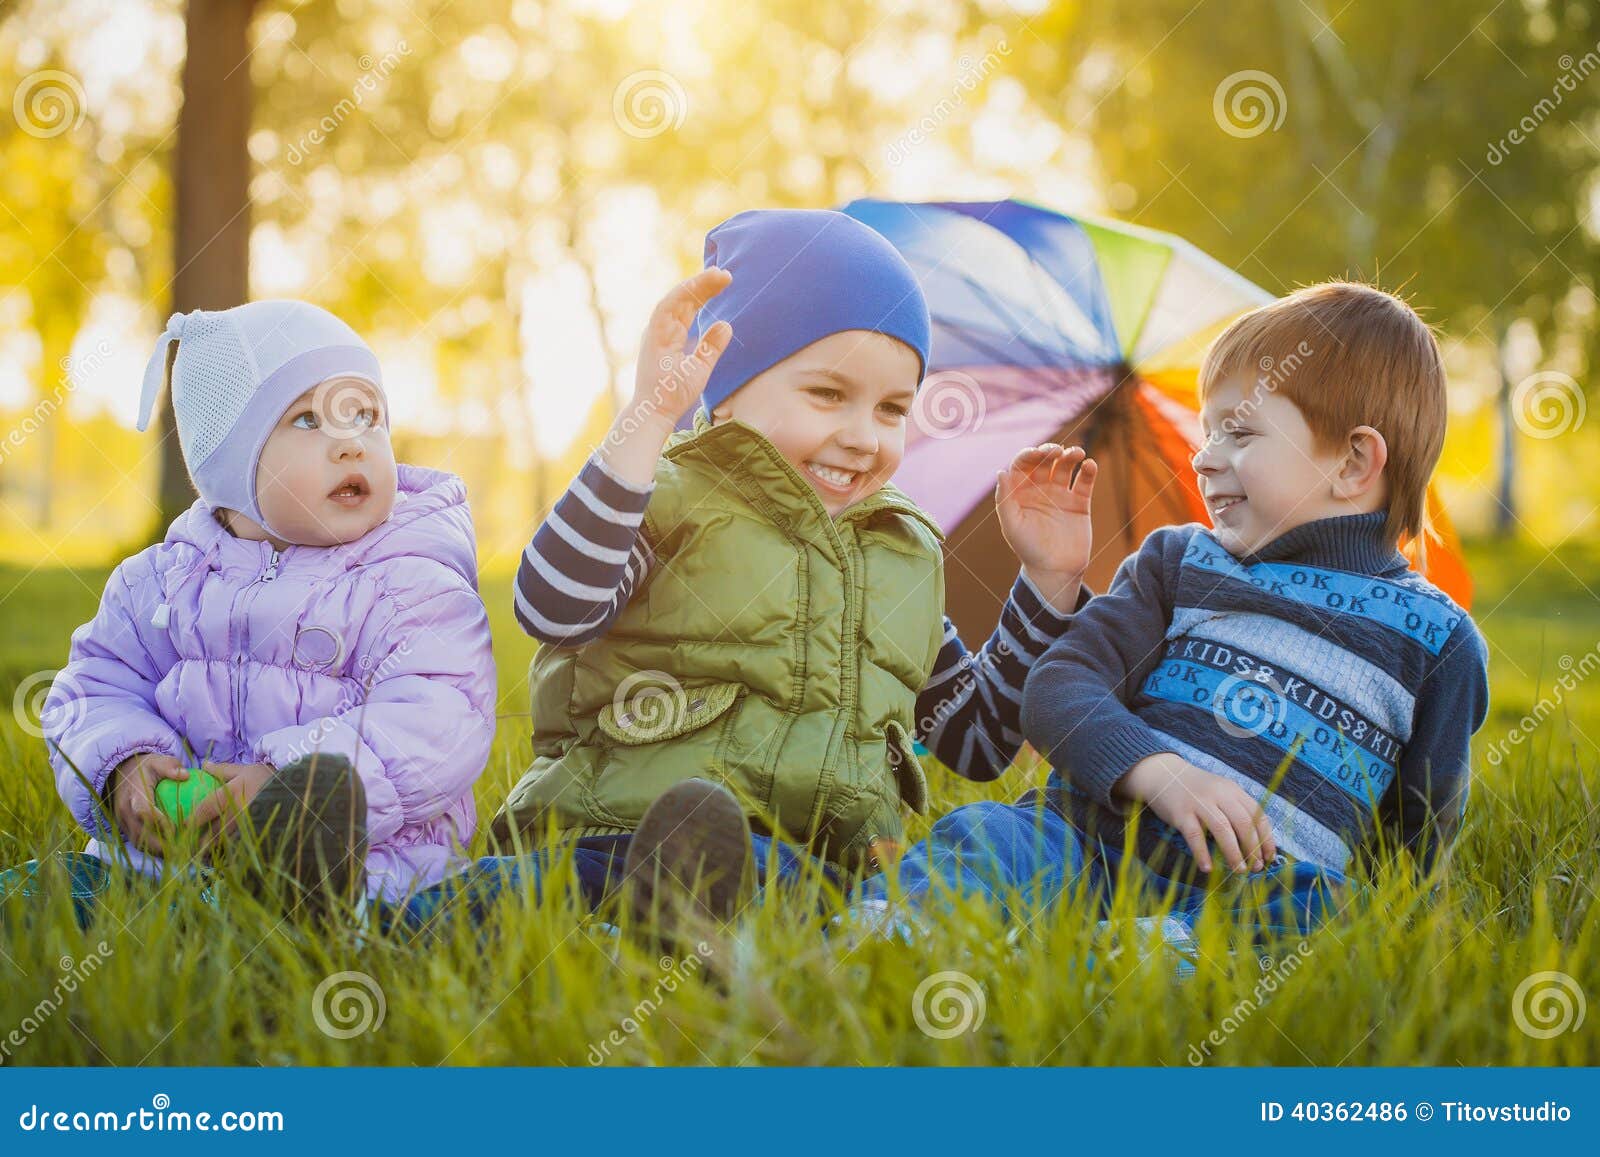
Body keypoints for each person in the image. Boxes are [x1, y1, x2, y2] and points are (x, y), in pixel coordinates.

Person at [490, 208, 1098, 929]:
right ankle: (353, 903)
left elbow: (976, 741)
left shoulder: (899, 555)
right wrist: (646, 423)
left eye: (893, 408)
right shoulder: (668, 498)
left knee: (795, 900)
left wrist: (1048, 583)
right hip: (610, 834)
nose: (862, 435)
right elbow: (556, 606)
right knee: (502, 897)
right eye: (828, 394)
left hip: (803, 872)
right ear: (725, 384)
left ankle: (676, 938)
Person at [846, 281, 1491, 946]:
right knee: (994, 836)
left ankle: (1152, 952)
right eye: (1208, 432)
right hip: (1091, 837)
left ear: (1354, 462)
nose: (1204, 456)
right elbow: (1058, 688)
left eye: (1238, 432)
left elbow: (1414, 840)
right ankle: (888, 930)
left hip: (1256, 882)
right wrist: (1156, 769)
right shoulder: (1181, 564)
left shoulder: (1439, 642)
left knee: (1335, 913)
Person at [1, 301, 497, 926]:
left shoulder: (412, 578)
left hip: (369, 869)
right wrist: (121, 766)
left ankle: (305, 898)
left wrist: (283, 782)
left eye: (365, 415)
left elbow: (441, 715)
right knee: (39, 897)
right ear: (231, 460)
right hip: (166, 862)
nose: (350, 444)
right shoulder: (158, 583)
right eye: (308, 419)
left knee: (434, 921)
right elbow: (95, 689)